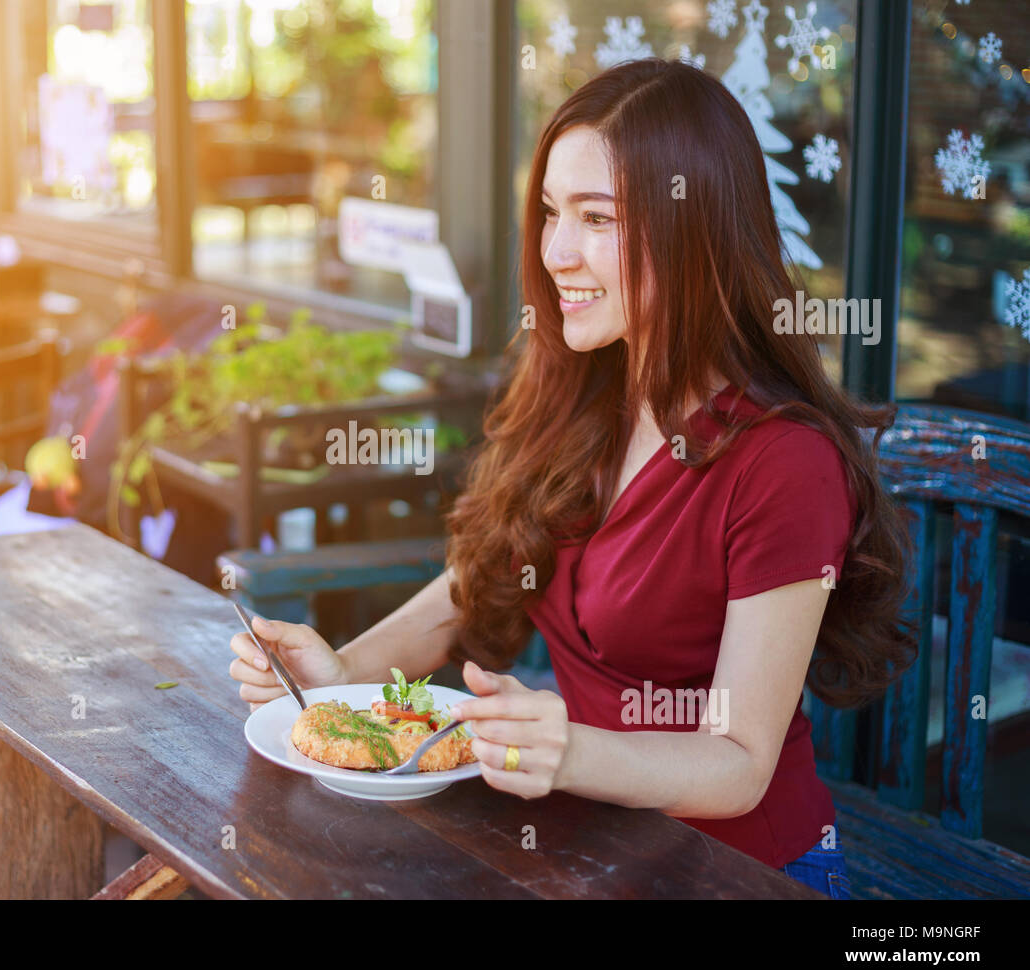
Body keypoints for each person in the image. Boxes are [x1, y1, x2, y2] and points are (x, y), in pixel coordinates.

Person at [228, 58, 915, 899]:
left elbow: (738, 765)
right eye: (553, 212)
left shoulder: (784, 463)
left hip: (738, 870)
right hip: (586, 845)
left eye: (597, 217)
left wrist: (571, 751)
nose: (556, 251)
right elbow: (470, 589)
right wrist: (340, 674)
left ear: (695, 229)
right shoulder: (586, 393)